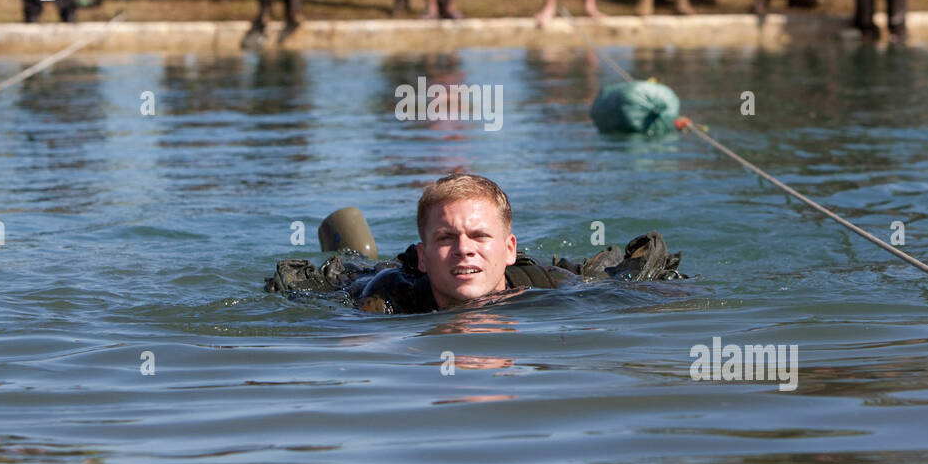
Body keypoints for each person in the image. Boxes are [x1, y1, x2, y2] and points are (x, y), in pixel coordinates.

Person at [264, 173, 685, 314]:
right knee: (353, 262)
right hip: (376, 280)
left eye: (481, 236)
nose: (465, 248)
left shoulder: (552, 286)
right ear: (425, 257)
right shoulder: (385, 299)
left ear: (509, 249)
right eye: (446, 238)